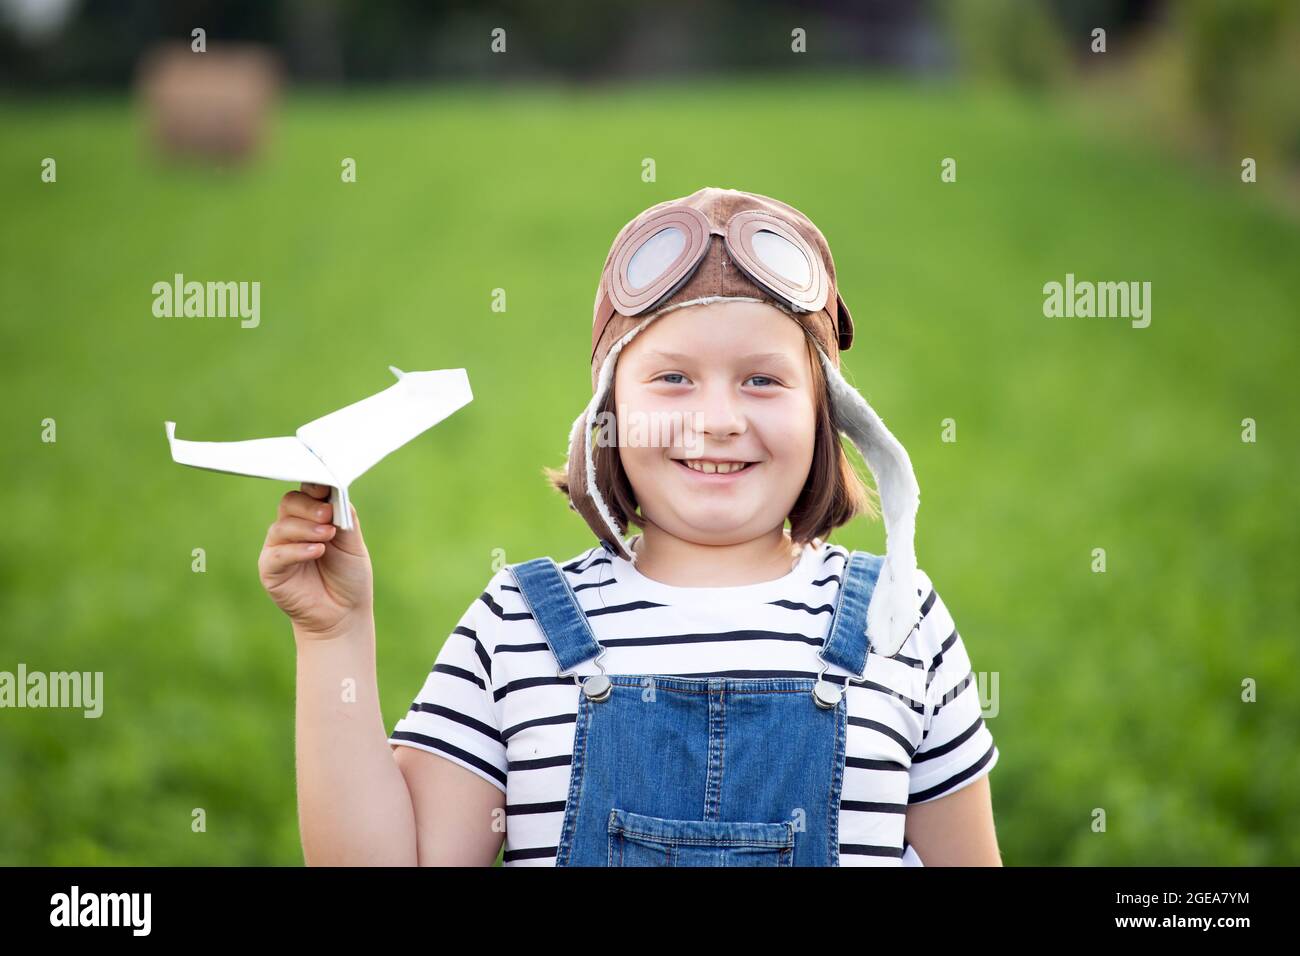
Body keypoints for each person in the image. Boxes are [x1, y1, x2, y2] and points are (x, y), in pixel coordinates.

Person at [259, 186, 1001, 866]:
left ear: (827, 413)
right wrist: (335, 638)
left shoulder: (899, 621)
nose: (716, 422)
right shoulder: (516, 627)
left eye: (763, 380)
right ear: (609, 414)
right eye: (673, 378)